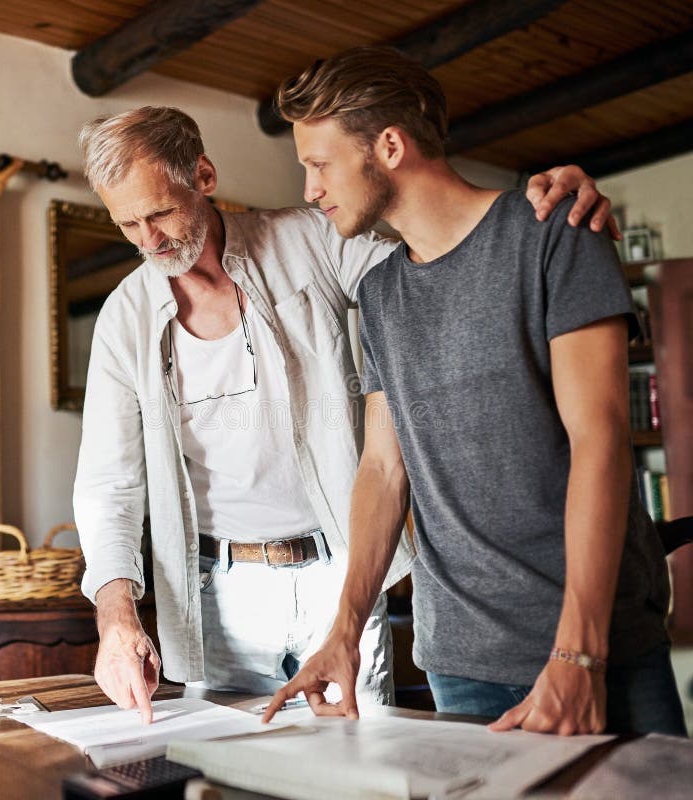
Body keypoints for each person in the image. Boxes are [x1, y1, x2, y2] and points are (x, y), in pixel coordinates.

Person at [72, 104, 619, 725]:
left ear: (201, 175)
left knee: (357, 772)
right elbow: (108, 483)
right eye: (129, 225)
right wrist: (116, 614)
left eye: (160, 213)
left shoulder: (311, 239)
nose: (149, 241)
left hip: (338, 578)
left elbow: (437, 260)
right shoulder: (124, 318)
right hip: (215, 596)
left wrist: (533, 216)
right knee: (234, 781)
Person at [263, 46, 686, 737]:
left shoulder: (555, 236)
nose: (310, 189)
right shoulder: (380, 295)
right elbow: (383, 468)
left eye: (319, 163)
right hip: (458, 661)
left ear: (389, 146)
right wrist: (343, 629)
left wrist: (580, 653)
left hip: (594, 647)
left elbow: (601, 439)